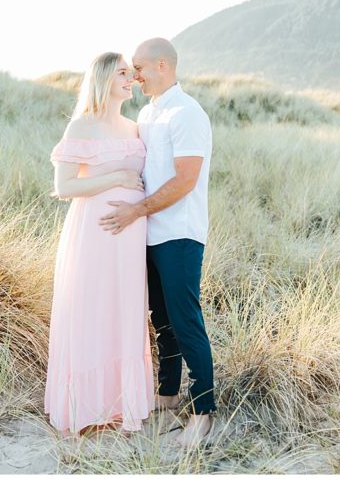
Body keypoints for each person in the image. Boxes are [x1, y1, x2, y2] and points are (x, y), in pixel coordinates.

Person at [98, 37, 216, 447]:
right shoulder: (148, 113)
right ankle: (166, 398)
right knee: (161, 321)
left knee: (186, 322)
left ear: (162, 65)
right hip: (148, 236)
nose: (135, 75)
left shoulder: (188, 113)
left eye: (140, 68)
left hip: (179, 233)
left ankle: (204, 411)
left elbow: (185, 180)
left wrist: (135, 210)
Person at [45, 52, 155, 435]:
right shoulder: (82, 126)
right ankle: (85, 407)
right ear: (105, 78)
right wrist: (117, 178)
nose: (132, 79)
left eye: (132, 73)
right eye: (123, 73)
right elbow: (64, 187)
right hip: (94, 232)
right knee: (91, 309)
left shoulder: (133, 126)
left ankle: (121, 404)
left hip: (130, 238)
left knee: (123, 311)